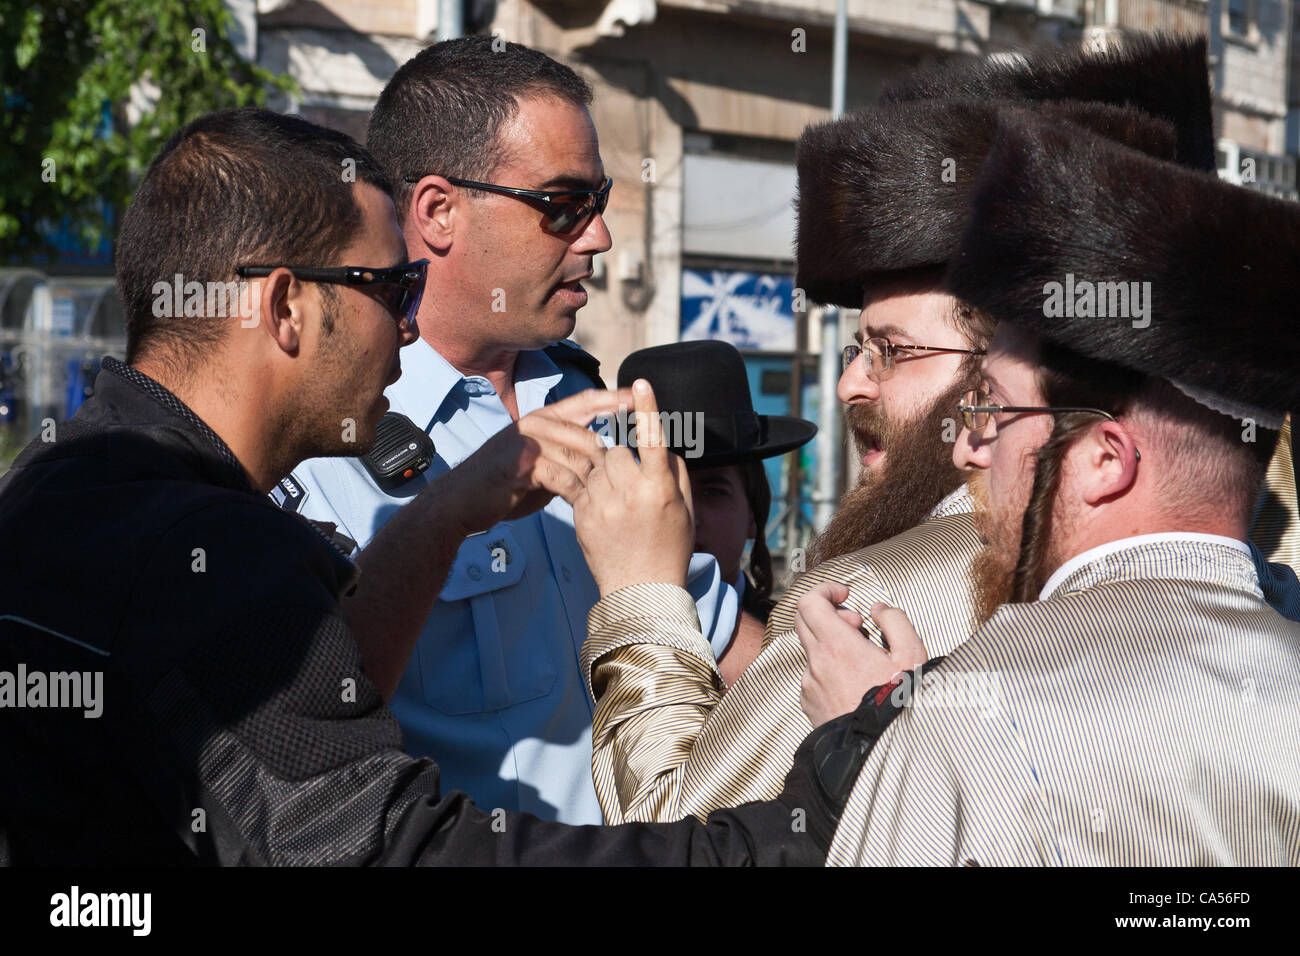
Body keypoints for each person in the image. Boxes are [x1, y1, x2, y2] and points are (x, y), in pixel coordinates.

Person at [0, 107, 860, 866]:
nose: (408, 326)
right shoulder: (213, 550)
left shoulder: (51, 488)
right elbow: (390, 847)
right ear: (285, 308)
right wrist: (773, 840)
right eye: (389, 287)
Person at [573, 34, 1217, 825]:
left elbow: (669, 834)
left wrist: (641, 596)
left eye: (892, 351)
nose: (850, 384)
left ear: (1005, 361)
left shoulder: (873, 598)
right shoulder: (1236, 547)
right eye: (855, 347)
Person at [799, 114, 1300, 865]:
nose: (968, 444)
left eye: (994, 406)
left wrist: (872, 742)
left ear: (1105, 459)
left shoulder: (962, 726)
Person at [279, 36, 735, 826]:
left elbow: (720, 636)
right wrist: (441, 519)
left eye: (600, 200)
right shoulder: (326, 443)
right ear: (438, 211)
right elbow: (308, 731)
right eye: (562, 206)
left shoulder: (587, 394)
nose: (597, 237)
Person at [616, 340, 817, 685]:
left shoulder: (803, 651)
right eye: (661, 488)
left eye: (712, 492)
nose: (683, 515)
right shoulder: (573, 636)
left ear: (753, 514)